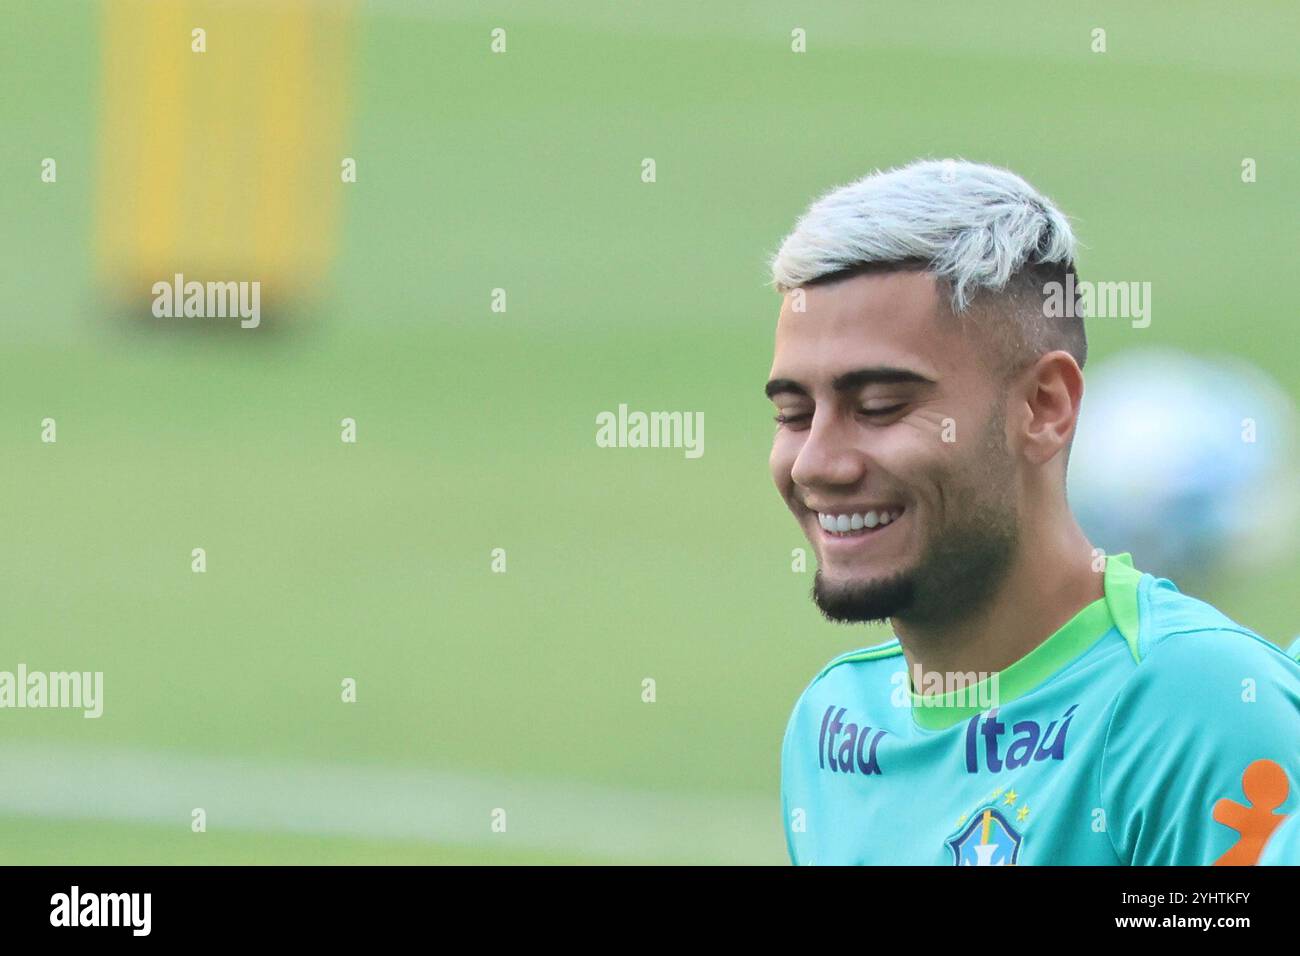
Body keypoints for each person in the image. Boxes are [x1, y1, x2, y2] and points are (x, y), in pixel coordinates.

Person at [766, 159, 1300, 864]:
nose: (817, 464)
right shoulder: (834, 726)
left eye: (880, 407)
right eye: (794, 414)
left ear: (1045, 407)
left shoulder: (1193, 708)